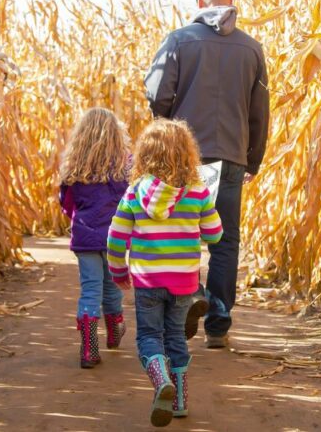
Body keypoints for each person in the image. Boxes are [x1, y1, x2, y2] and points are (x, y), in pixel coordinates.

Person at [143, 0, 270, 349]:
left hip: (186, 158)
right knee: (224, 240)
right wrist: (253, 159)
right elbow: (259, 111)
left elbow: (158, 94)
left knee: (182, 232)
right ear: (232, 2)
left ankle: (189, 299)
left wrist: (165, 135)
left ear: (200, 1)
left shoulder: (179, 40)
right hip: (231, 156)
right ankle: (218, 323)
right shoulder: (252, 49)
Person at [107, 120, 223, 426]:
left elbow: (116, 238)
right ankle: (181, 401)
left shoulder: (134, 193)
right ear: (187, 154)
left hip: (147, 280)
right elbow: (215, 234)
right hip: (184, 281)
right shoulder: (198, 193)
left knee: (148, 336)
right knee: (176, 337)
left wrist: (118, 273)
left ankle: (161, 383)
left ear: (144, 154)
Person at [59, 108, 131, 369]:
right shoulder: (126, 164)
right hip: (116, 238)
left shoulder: (74, 164)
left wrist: (76, 218)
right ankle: (114, 331)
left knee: (90, 289)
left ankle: (89, 349)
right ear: (116, 134)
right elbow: (132, 200)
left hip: (85, 237)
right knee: (112, 287)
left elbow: (66, 202)